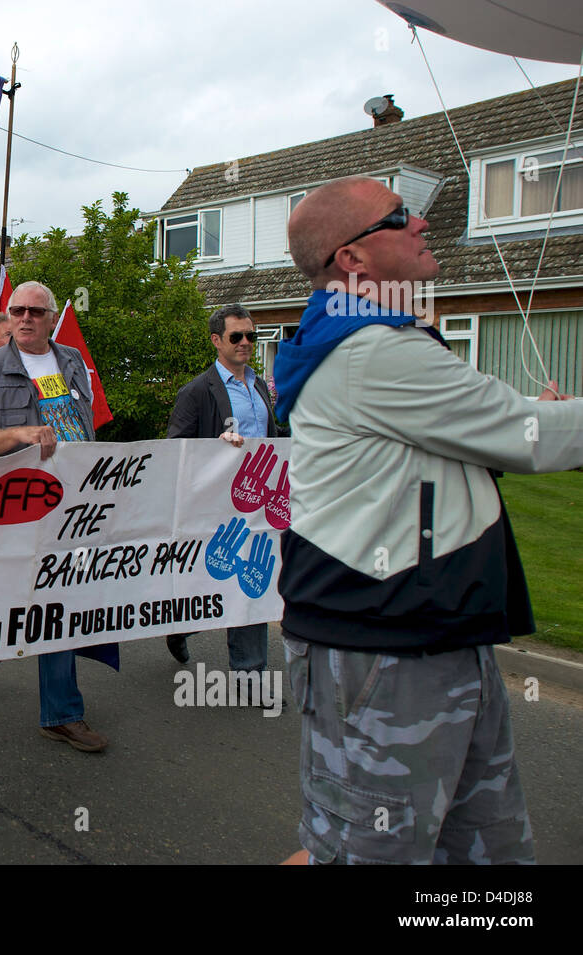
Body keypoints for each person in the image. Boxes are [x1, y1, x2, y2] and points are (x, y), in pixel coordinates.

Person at [276, 175, 583, 864]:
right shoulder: (372, 352)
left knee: (483, 849)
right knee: (367, 851)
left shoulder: (381, 339)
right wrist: (537, 422)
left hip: (435, 633)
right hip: (387, 645)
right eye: (400, 216)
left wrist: (530, 420)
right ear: (352, 259)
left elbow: (484, 436)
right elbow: (526, 433)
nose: (421, 224)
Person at [0, 281, 114, 752]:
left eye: (35, 312)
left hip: (70, 502)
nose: (25, 318)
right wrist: (22, 434)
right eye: (17, 310)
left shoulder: (73, 363)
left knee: (56, 600)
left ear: (49, 317)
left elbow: (85, 424)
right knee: (13, 602)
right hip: (15, 503)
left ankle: (62, 714)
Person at [164, 304, 282, 672]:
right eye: (237, 337)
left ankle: (249, 673)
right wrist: (214, 446)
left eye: (251, 336)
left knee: (252, 580)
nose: (246, 343)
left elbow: (272, 439)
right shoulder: (197, 392)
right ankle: (181, 624)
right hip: (215, 504)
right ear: (217, 341)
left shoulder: (258, 385)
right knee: (211, 583)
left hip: (258, 501)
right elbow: (175, 450)